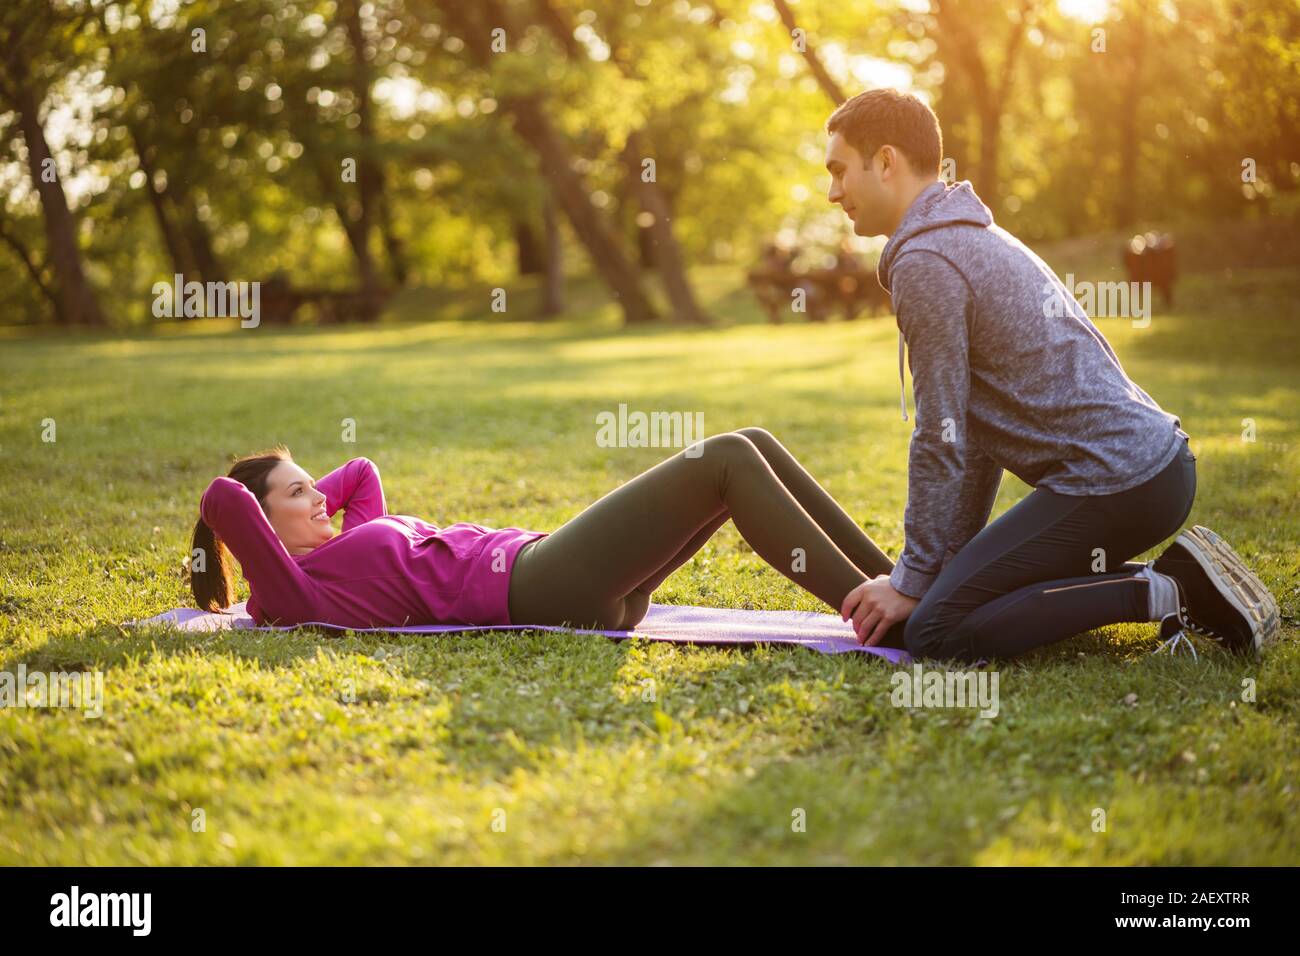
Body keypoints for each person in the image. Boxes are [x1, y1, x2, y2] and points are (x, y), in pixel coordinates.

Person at [822, 87, 1279, 661]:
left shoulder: (927, 262)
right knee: (956, 600)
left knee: (935, 631)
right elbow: (972, 436)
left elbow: (939, 436)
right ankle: (1190, 574)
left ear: (885, 161)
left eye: (839, 171)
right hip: (1153, 472)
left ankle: (1169, 590)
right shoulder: (966, 237)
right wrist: (943, 569)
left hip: (1118, 481)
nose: (832, 191)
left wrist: (915, 579)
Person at [189, 431, 900, 632]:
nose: (321, 496)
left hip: (557, 573)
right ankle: (881, 615)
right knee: (723, 460)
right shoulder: (295, 592)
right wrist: (250, 527)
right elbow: (226, 498)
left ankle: (900, 583)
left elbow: (363, 471)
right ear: (262, 526)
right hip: (540, 584)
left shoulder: (349, 541)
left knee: (753, 441)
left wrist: (299, 487)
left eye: (316, 486)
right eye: (297, 494)